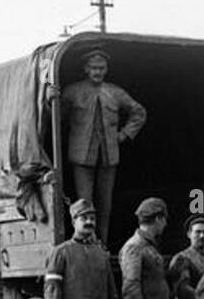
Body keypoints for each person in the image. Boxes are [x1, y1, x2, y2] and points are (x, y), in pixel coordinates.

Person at [60, 48, 148, 246]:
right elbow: (57, 117)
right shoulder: (72, 92)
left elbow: (139, 112)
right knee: (85, 204)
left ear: (106, 69)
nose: (97, 72)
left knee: (105, 205)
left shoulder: (115, 92)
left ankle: (103, 245)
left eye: (101, 68)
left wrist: (124, 134)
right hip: (82, 158)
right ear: (86, 69)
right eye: (93, 68)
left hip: (108, 157)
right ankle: (87, 244)